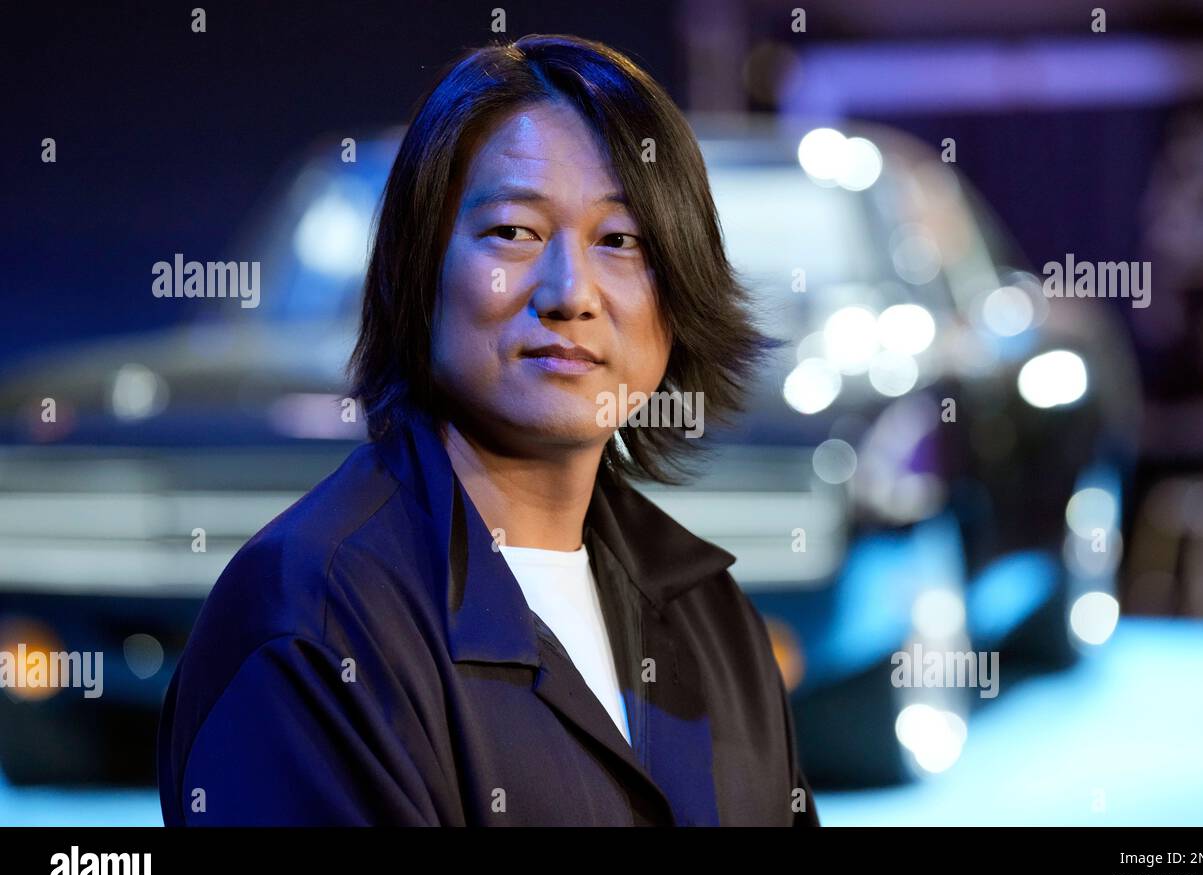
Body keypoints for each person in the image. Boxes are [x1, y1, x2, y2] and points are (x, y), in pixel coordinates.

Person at [156, 33, 819, 826]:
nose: (570, 294)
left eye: (621, 241)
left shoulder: (715, 617)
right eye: (514, 232)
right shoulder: (311, 622)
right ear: (417, 269)